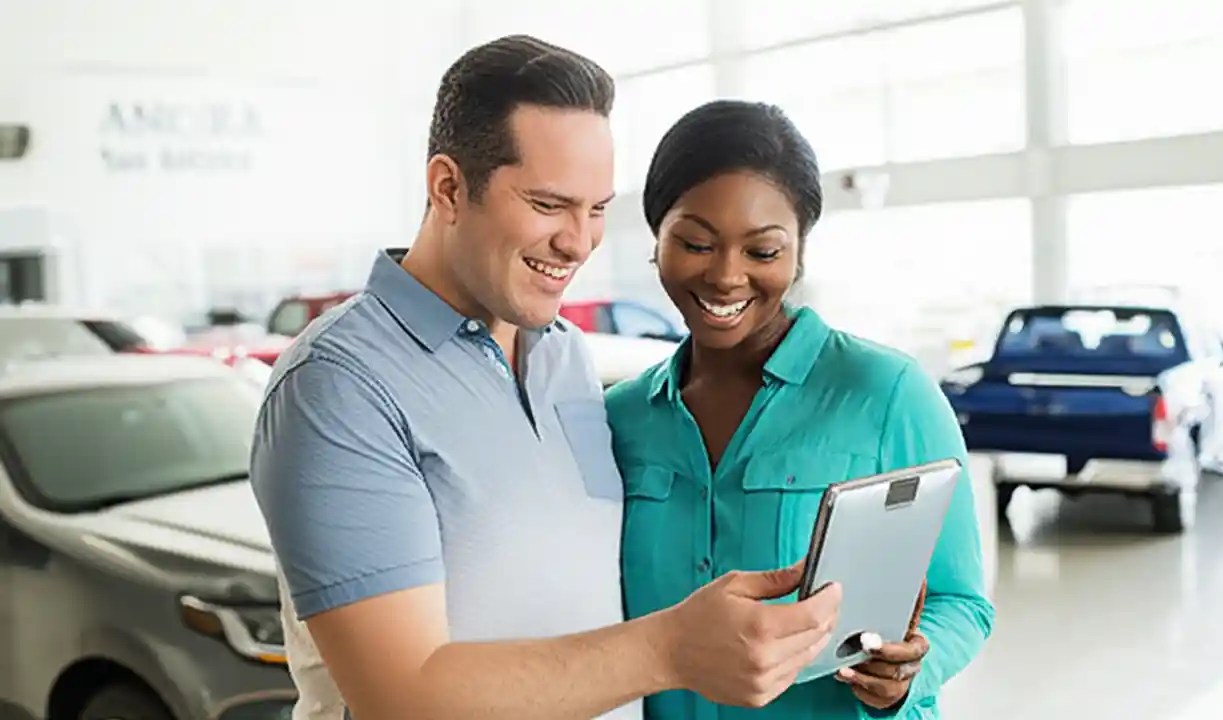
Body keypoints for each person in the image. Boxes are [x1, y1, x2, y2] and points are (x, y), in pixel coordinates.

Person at [249, 36, 844, 720]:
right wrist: (674, 648)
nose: (579, 241)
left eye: (597, 209)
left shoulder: (565, 356)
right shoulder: (339, 385)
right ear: (448, 188)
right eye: (549, 204)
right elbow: (403, 696)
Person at [605, 100, 995, 718]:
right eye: (697, 243)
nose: (726, 277)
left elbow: (961, 601)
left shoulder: (888, 393)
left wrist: (909, 669)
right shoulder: (620, 417)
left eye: (762, 252)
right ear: (658, 239)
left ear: (799, 253)